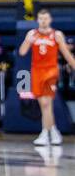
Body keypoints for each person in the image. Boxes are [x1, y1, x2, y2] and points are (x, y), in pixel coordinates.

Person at [17, 9, 75, 146]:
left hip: (50, 72)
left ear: (50, 20)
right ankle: (54, 131)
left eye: (46, 18)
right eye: (41, 18)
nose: (43, 21)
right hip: (36, 72)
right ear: (37, 20)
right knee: (44, 105)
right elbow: (22, 52)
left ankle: (45, 133)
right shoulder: (32, 34)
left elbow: (67, 54)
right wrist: (27, 41)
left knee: (45, 103)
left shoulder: (57, 35)